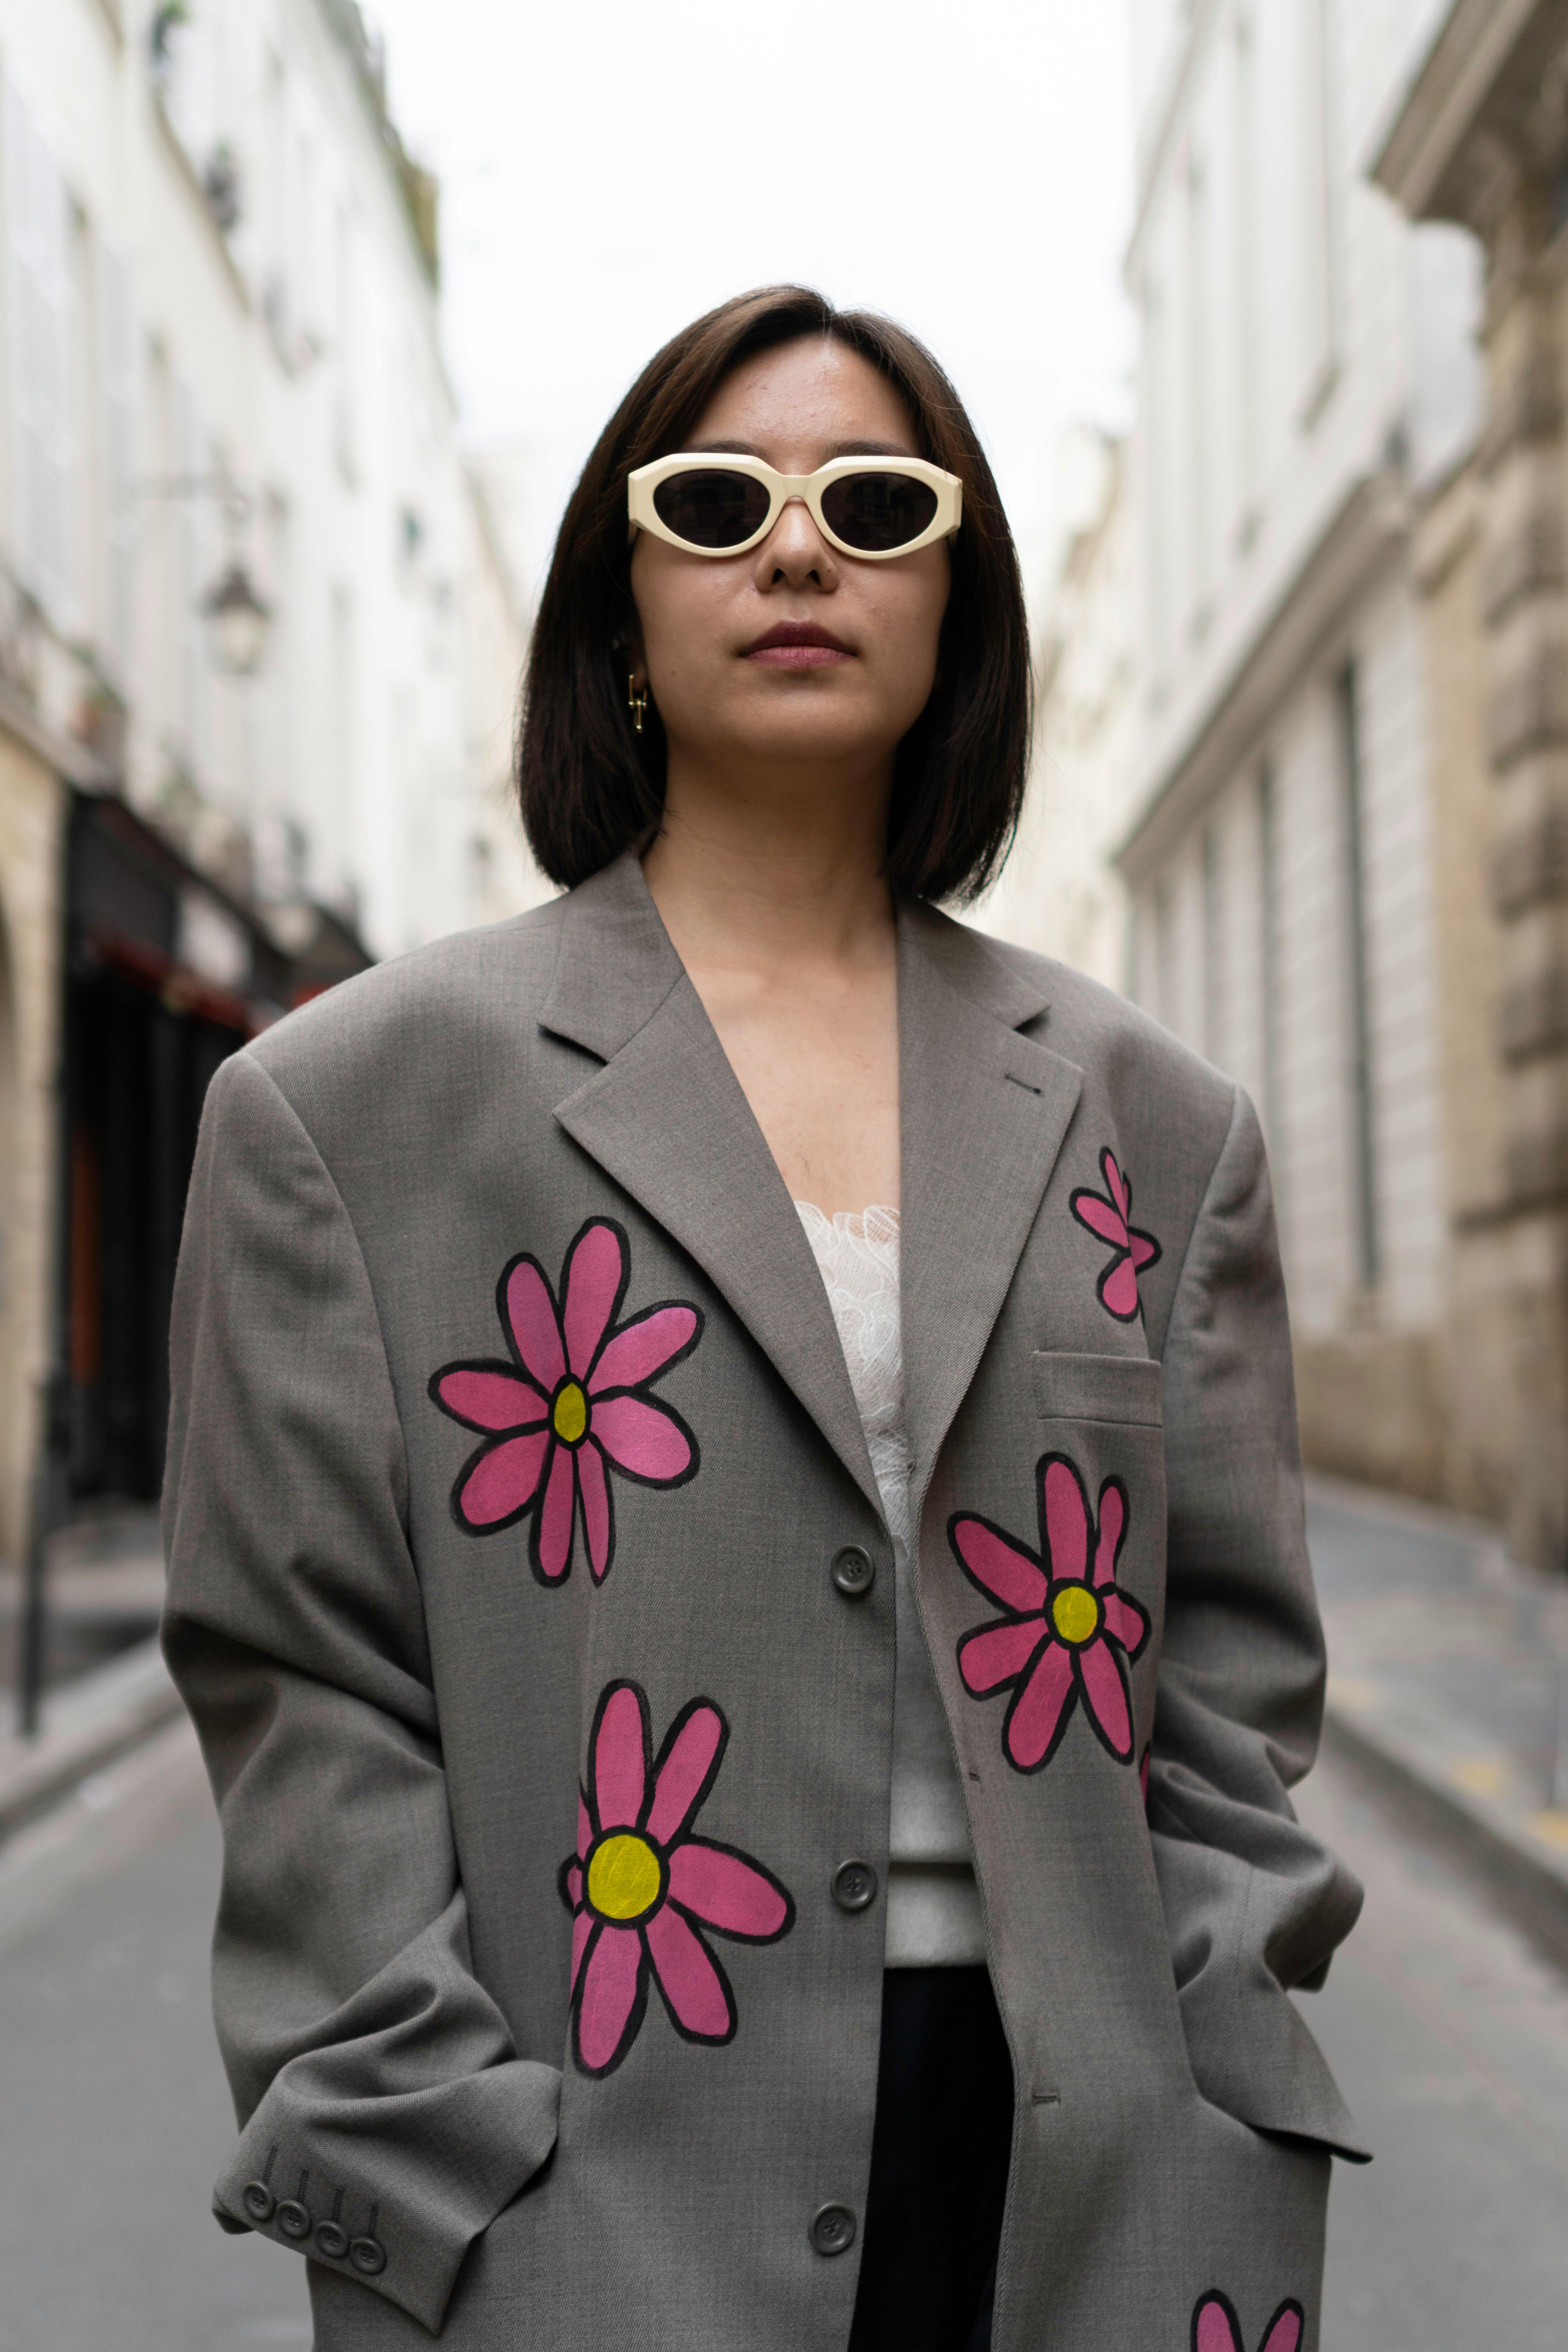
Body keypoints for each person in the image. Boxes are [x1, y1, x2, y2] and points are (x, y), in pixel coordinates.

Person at [163, 285, 1367, 2352]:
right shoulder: (356, 1107)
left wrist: (1216, 2071)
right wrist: (435, 2162)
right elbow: (304, 1691)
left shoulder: (1151, 1123)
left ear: (953, 604)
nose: (796, 548)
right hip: (588, 2193)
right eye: (716, 500)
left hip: (1086, 2199)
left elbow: (1229, 1688)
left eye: (877, 506)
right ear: (617, 611)